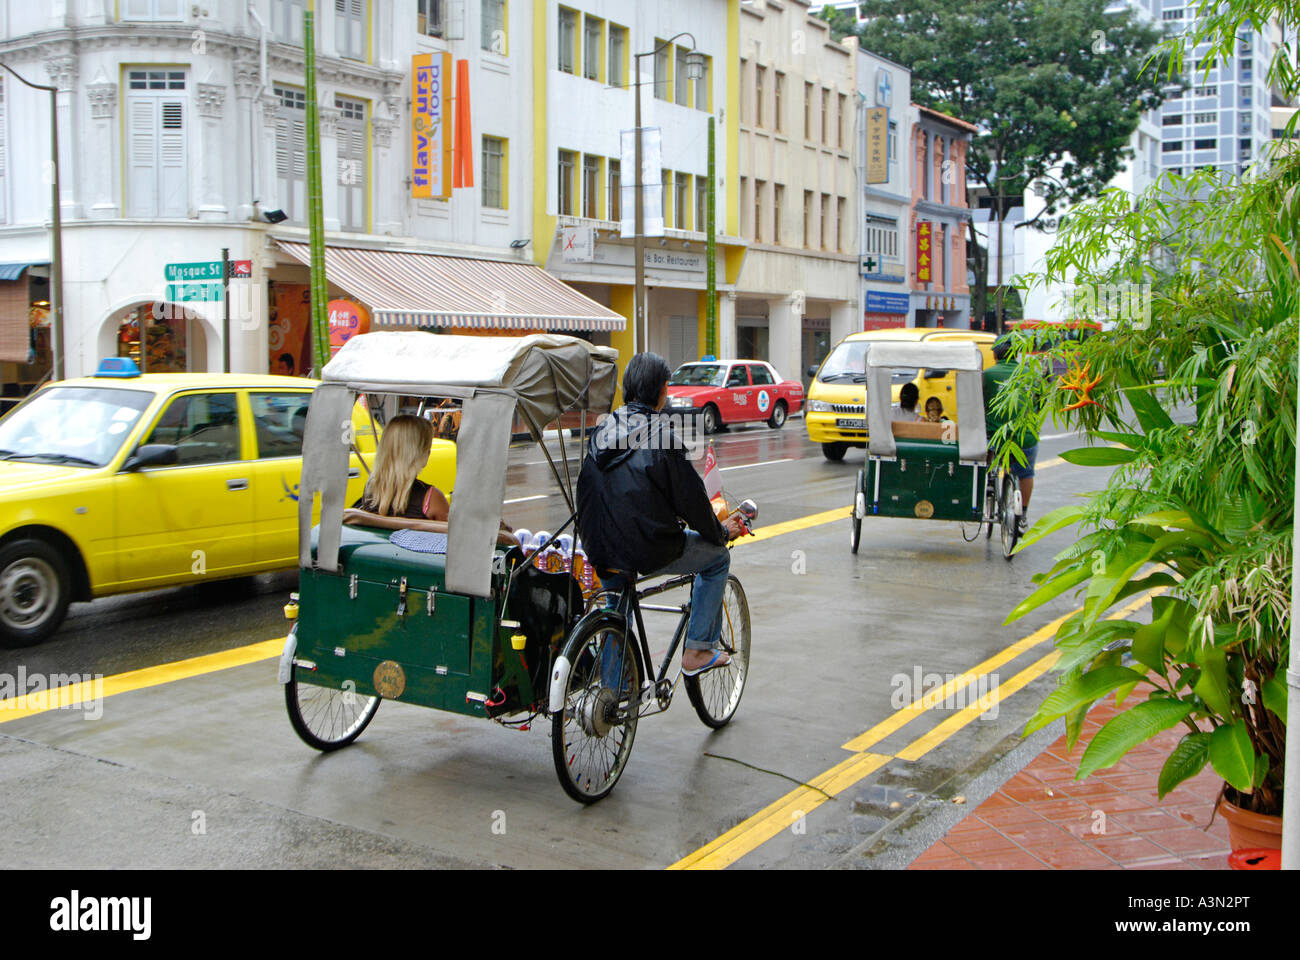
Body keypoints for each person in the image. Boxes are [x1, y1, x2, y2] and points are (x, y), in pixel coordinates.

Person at [577, 352, 748, 676]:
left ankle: (611, 697)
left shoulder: (602, 430)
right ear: (662, 390)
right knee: (716, 559)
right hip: (645, 548)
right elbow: (693, 503)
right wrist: (722, 532)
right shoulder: (662, 436)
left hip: (597, 546)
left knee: (617, 608)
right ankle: (698, 649)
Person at [983, 337, 1039, 533]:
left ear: (995, 354)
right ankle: (1022, 515)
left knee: (984, 461)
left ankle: (989, 482)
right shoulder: (1031, 374)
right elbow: (1038, 404)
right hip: (1026, 437)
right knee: (1026, 473)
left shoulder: (988, 375)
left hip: (995, 437)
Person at [354, 414, 450, 521]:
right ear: (421, 454)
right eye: (428, 447)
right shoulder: (431, 498)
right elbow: (452, 535)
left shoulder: (371, 488)